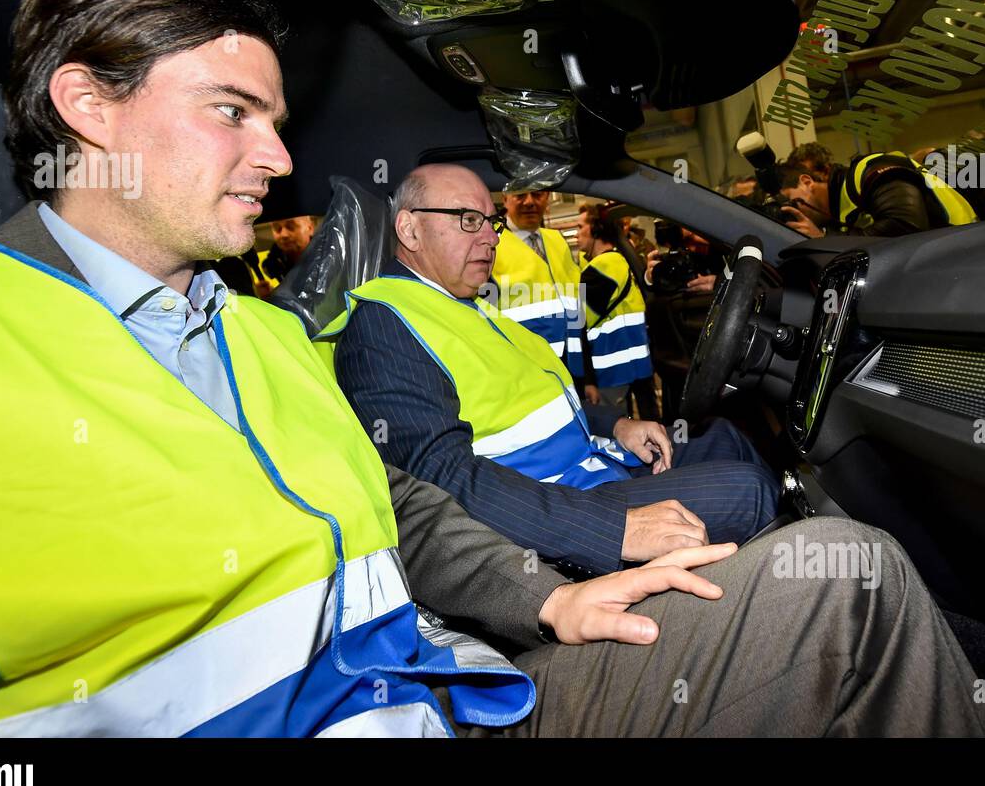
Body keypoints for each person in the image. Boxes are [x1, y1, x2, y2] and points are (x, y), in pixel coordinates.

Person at [0, 0, 985, 739]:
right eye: (233, 111)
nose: (278, 160)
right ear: (86, 103)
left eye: (276, 121)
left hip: (455, 696)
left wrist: (541, 595)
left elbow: (395, 505)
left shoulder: (265, 336)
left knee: (844, 572)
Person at [325, 164, 780, 576]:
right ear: (409, 227)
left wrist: (617, 423)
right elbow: (445, 483)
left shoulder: (466, 305)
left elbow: (540, 397)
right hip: (557, 507)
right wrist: (612, 529)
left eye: (492, 222)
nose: (490, 237)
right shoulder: (385, 326)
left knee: (724, 435)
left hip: (589, 464)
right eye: (468, 221)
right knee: (750, 490)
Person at [491, 187, 584, 377]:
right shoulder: (490, 242)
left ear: (548, 198)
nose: (529, 202)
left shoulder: (557, 241)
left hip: (568, 362)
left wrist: (588, 376)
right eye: (520, 195)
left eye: (537, 194)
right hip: (522, 367)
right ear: (505, 198)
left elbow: (577, 302)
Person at [778, 150, 977, 238]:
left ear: (807, 182)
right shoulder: (838, 215)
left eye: (793, 201)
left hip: (970, 242)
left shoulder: (866, 172)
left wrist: (825, 238)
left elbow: (907, 224)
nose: (793, 210)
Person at [576, 204, 652, 408]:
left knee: (615, 429)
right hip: (635, 359)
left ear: (596, 230)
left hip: (613, 365)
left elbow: (574, 318)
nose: (576, 234)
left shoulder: (604, 267)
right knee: (648, 416)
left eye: (580, 226)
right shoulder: (615, 261)